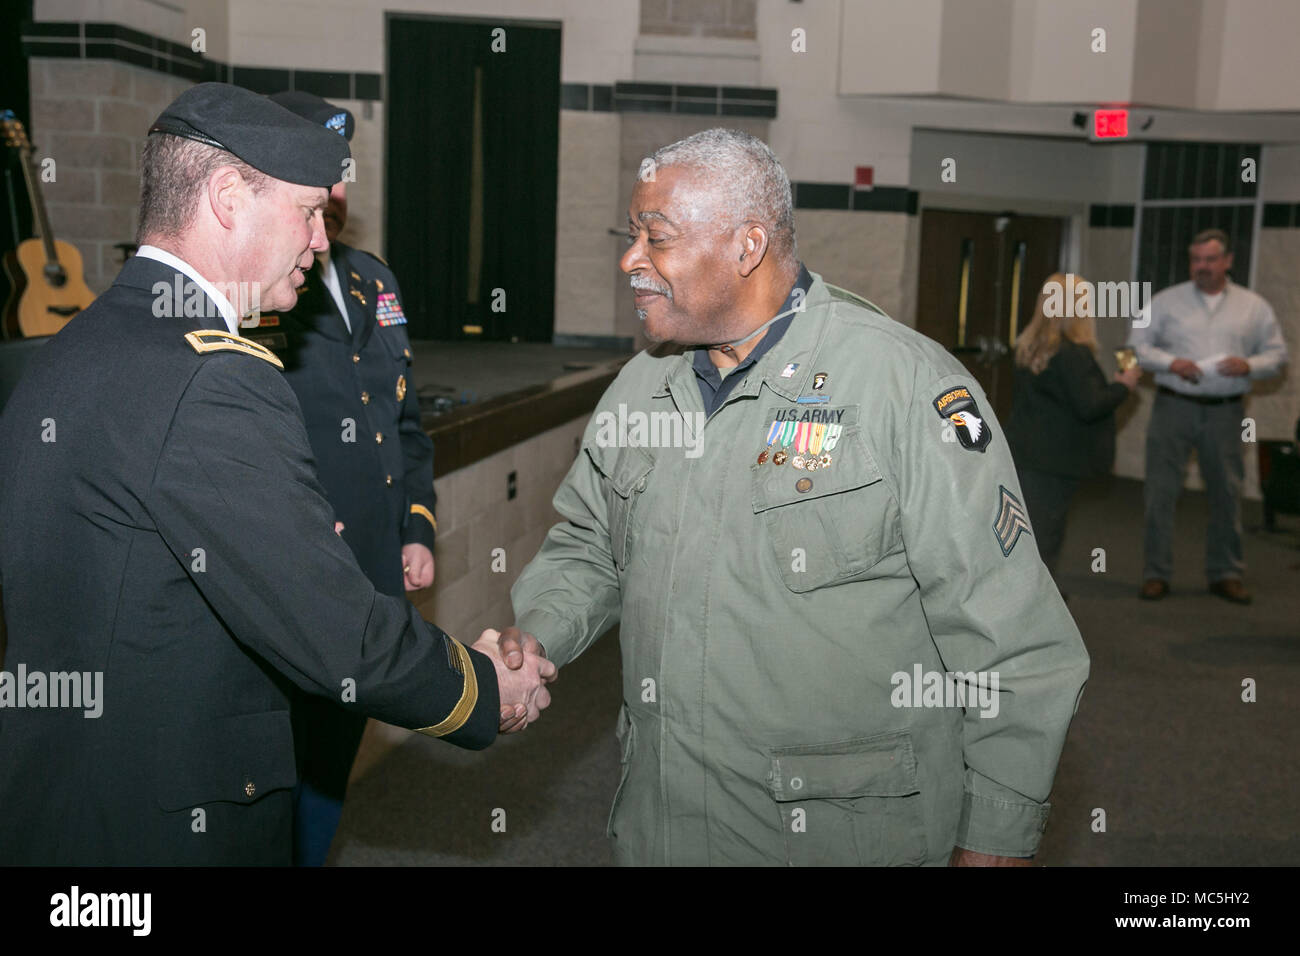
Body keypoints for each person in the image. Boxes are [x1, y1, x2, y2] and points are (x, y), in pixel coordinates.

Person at [500, 128, 1090, 866]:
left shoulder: (903, 388)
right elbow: (588, 544)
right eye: (631, 235)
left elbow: (1014, 640)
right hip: (666, 827)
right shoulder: (642, 387)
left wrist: (996, 841)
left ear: (747, 248)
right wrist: (539, 634)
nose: (630, 260)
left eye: (657, 238)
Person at [0, 83, 553, 865]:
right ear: (229, 198)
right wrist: (479, 687)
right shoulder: (212, 379)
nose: (321, 240)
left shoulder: (79, 346)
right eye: (306, 210)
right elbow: (337, 635)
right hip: (162, 821)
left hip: (67, 795)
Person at [254, 90, 437, 867]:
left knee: (330, 763)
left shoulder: (372, 278)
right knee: (275, 770)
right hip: (292, 579)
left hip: (373, 574)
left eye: (339, 170)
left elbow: (405, 419)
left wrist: (417, 524)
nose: (334, 187)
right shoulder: (259, 292)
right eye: (316, 169)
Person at [1127, 229, 1289, 604]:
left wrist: (1248, 364)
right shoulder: (1166, 302)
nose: (1202, 267)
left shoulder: (1254, 306)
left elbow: (1278, 356)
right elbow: (1134, 349)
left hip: (1225, 413)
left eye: (1210, 260)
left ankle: (1226, 573)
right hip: (1173, 407)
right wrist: (1172, 363)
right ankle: (1156, 574)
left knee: (1227, 492)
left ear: (1228, 261)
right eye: (1196, 260)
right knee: (1160, 492)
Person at [1004, 273, 1139, 589]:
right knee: (1045, 533)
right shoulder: (1072, 353)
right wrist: (1123, 385)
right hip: (1054, 460)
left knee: (1026, 531)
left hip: (1025, 452)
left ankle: (1030, 597)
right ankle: (1036, 608)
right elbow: (1090, 405)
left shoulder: (1028, 347)